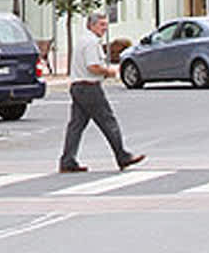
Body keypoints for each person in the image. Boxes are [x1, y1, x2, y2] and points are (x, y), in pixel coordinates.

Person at [59, 11, 145, 173]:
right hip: (89, 87)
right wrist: (109, 72)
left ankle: (67, 160)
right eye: (101, 25)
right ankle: (122, 155)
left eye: (106, 24)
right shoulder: (91, 42)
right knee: (108, 121)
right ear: (92, 25)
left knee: (76, 125)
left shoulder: (83, 40)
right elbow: (93, 66)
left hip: (78, 86)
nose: (105, 28)